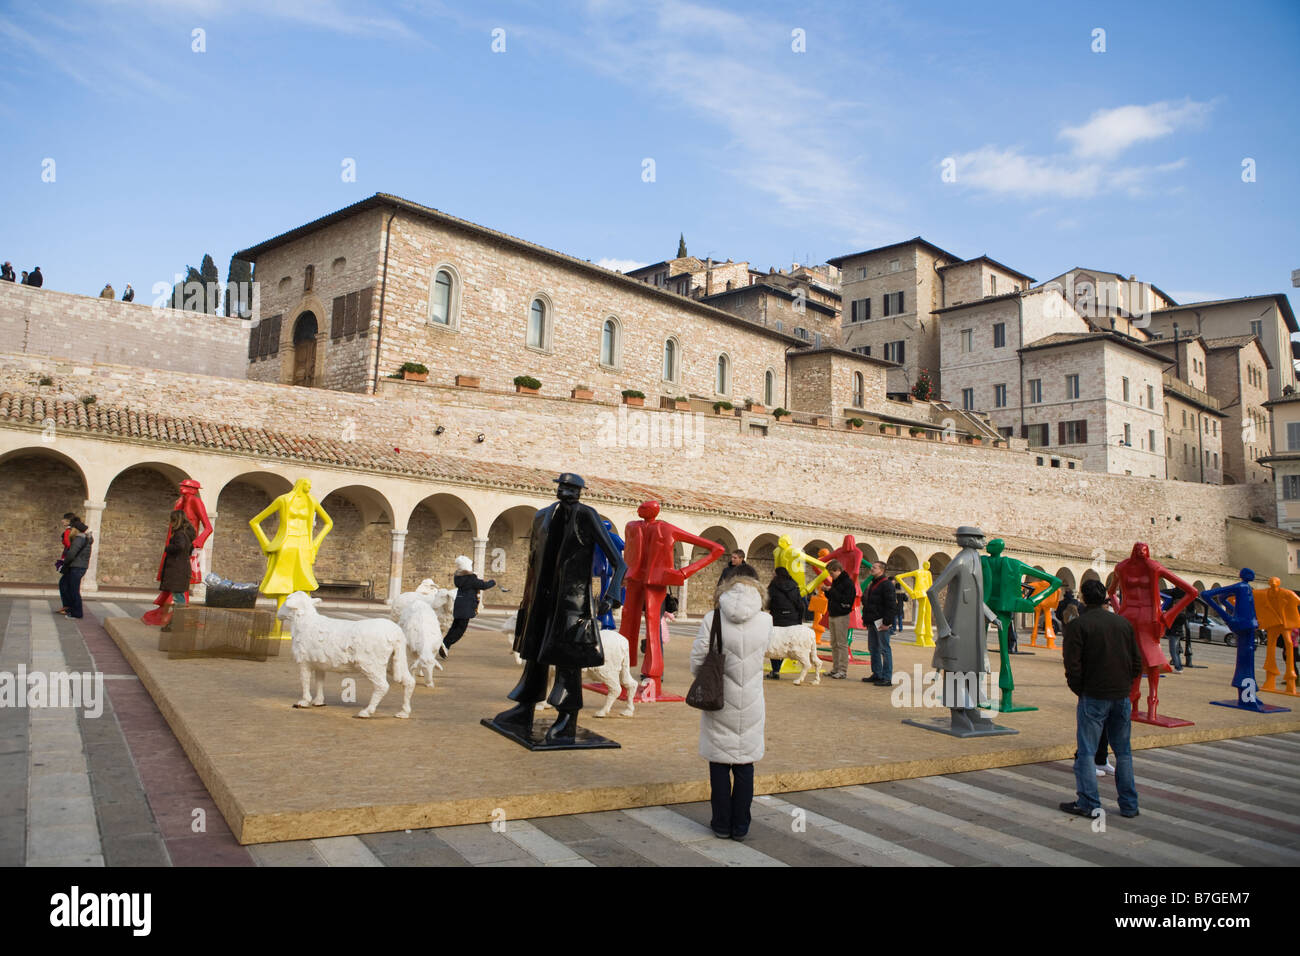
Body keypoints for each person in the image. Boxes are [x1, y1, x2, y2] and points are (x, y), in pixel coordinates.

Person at [691, 564, 770, 840]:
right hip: (751, 702)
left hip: (719, 698)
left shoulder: (712, 618)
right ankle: (741, 825)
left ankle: (722, 823)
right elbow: (766, 652)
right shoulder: (765, 620)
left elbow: (697, 663)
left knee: (720, 763)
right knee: (745, 764)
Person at [1060, 579, 1141, 819]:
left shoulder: (1079, 625)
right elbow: (1137, 662)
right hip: (1120, 695)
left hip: (1094, 695)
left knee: (1086, 751)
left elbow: (1072, 665)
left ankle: (1089, 803)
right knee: (1123, 751)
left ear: (1083, 598)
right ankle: (1129, 805)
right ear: (1105, 596)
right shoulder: (1123, 623)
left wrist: (1080, 689)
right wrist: (1125, 684)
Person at [441, 555, 496, 656]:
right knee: (460, 630)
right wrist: (493, 582)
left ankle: (445, 646)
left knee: (455, 627)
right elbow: (483, 585)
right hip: (466, 607)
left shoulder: (459, 577)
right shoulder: (471, 578)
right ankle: (445, 643)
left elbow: (473, 582)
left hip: (459, 605)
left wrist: (473, 576)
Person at [861, 560, 898, 686]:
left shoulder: (887, 585)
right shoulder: (873, 584)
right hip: (872, 621)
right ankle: (877, 674)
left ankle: (886, 677)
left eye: (875, 567)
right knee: (873, 648)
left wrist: (887, 622)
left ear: (881, 570)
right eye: (872, 567)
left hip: (881, 622)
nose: (872, 568)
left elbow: (891, 605)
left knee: (884, 649)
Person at [766, 565, 803, 679]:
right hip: (792, 618)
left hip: (777, 617)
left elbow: (768, 603)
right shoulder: (794, 585)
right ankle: (779, 667)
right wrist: (799, 619)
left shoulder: (773, 586)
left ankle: (775, 670)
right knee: (785, 643)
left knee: (774, 643)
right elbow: (800, 604)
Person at [158, 510, 197, 607]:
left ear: (176, 521)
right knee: (178, 595)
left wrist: (168, 548)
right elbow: (189, 548)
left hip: (177, 569)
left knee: (178, 596)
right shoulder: (186, 533)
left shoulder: (180, 533)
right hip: (182, 567)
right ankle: (178, 618)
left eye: (172, 520)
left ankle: (180, 619)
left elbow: (180, 546)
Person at [824, 559, 854, 679]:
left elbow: (846, 600)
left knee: (841, 644)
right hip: (833, 614)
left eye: (831, 573)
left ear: (838, 570)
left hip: (842, 615)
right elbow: (833, 597)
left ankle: (842, 670)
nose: (830, 576)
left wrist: (831, 590)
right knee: (834, 643)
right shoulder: (836, 581)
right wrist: (827, 591)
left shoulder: (848, 583)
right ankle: (835, 668)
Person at [59, 519, 93, 620]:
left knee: (74, 590)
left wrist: (65, 562)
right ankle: (70, 608)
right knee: (65, 584)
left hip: (76, 567)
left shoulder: (79, 539)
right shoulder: (86, 538)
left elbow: (72, 553)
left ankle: (77, 613)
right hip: (80, 566)